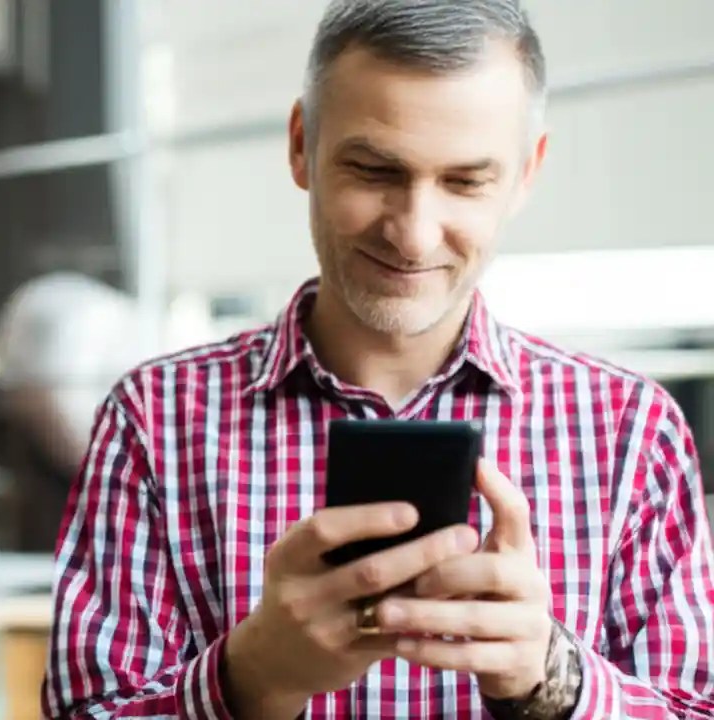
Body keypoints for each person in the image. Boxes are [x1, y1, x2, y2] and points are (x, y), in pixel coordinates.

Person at [40, 1, 714, 718]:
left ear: (525, 174)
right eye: (372, 169)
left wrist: (552, 679)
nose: (414, 236)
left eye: (465, 181)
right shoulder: (154, 422)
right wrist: (253, 674)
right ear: (302, 144)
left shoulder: (632, 432)